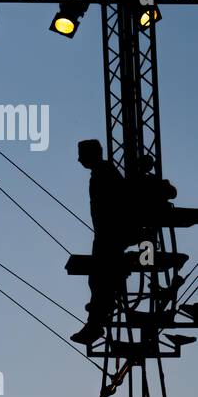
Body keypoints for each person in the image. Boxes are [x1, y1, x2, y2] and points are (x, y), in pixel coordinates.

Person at [72, 140, 136, 345]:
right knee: (100, 279)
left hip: (110, 235)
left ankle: (96, 323)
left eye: (82, 154)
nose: (79, 159)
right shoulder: (104, 173)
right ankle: (97, 320)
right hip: (108, 234)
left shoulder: (104, 174)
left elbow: (114, 205)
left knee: (101, 279)